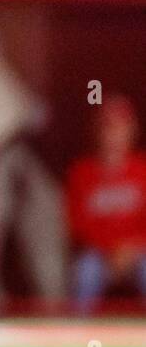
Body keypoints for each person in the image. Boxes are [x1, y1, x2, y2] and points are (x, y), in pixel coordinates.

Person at [67, 95, 146, 311]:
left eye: (120, 128)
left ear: (132, 130)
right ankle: (80, 337)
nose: (114, 135)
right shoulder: (82, 172)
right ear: (97, 131)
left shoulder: (142, 170)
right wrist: (111, 249)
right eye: (108, 128)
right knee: (86, 271)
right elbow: (78, 225)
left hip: (138, 253)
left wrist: (132, 247)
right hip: (99, 256)